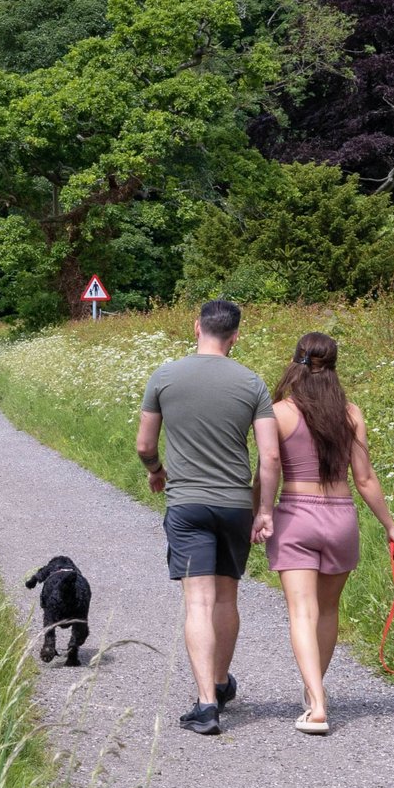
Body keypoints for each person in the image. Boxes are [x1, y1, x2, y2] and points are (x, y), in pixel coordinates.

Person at [137, 298, 280, 736]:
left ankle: (205, 705)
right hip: (235, 505)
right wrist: (264, 510)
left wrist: (157, 473)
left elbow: (144, 446)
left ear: (196, 327)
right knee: (226, 598)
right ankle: (220, 683)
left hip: (187, 505)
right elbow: (270, 456)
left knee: (196, 602)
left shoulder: (164, 376)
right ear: (235, 336)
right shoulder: (253, 384)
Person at [266, 332, 394, 736]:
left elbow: (268, 468)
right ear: (334, 365)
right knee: (327, 611)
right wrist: (391, 526)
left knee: (302, 612)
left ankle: (318, 704)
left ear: (297, 362)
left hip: (295, 515)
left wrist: (259, 513)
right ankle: (314, 694)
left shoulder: (279, 413)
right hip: (341, 519)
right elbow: (364, 478)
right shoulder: (351, 413)